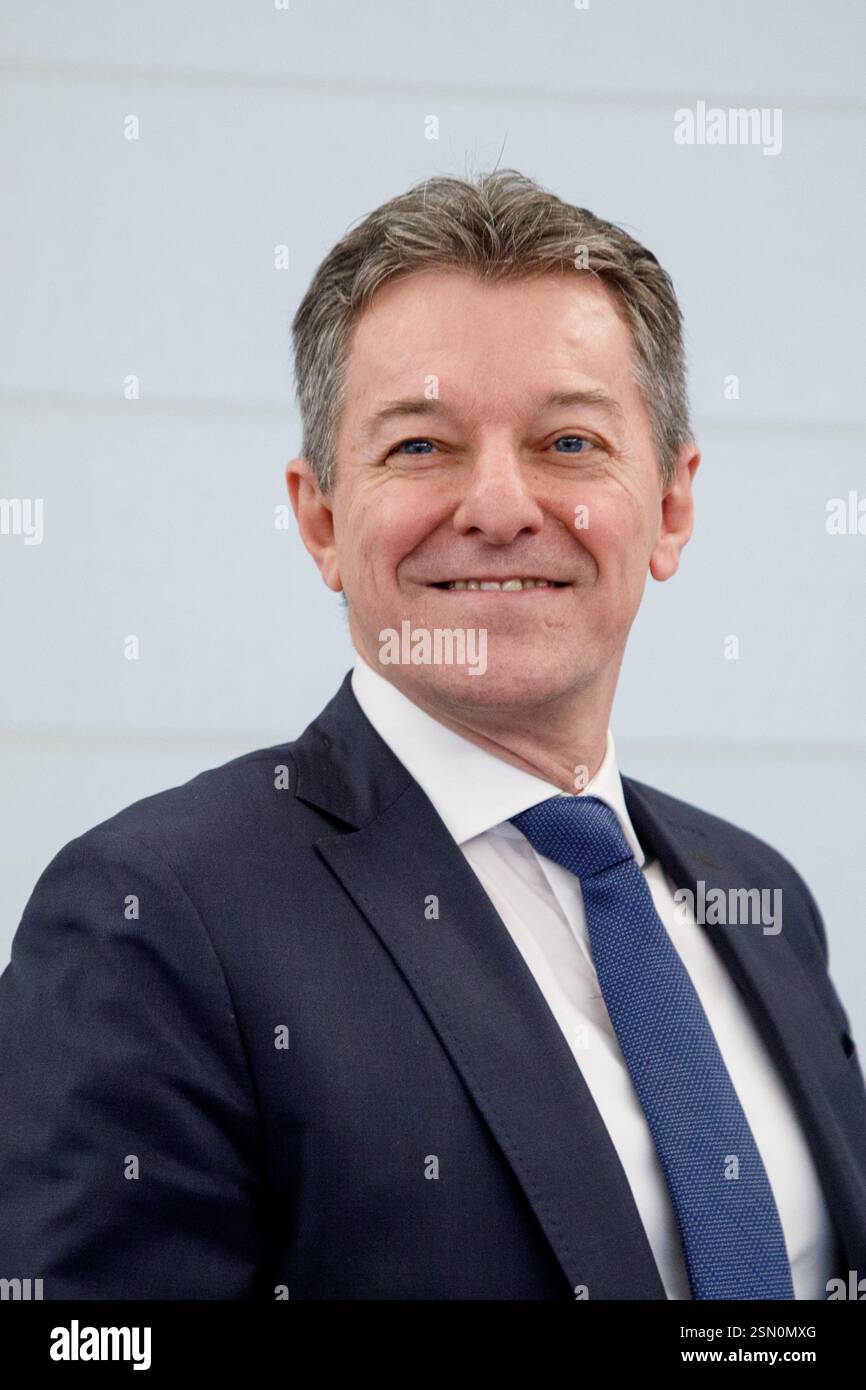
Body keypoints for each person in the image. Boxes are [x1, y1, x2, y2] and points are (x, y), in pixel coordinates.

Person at [2, 170, 864, 1301]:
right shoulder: (152, 923)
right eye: (420, 446)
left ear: (668, 506)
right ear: (319, 516)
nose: (499, 507)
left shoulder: (760, 898)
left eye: (566, 442)